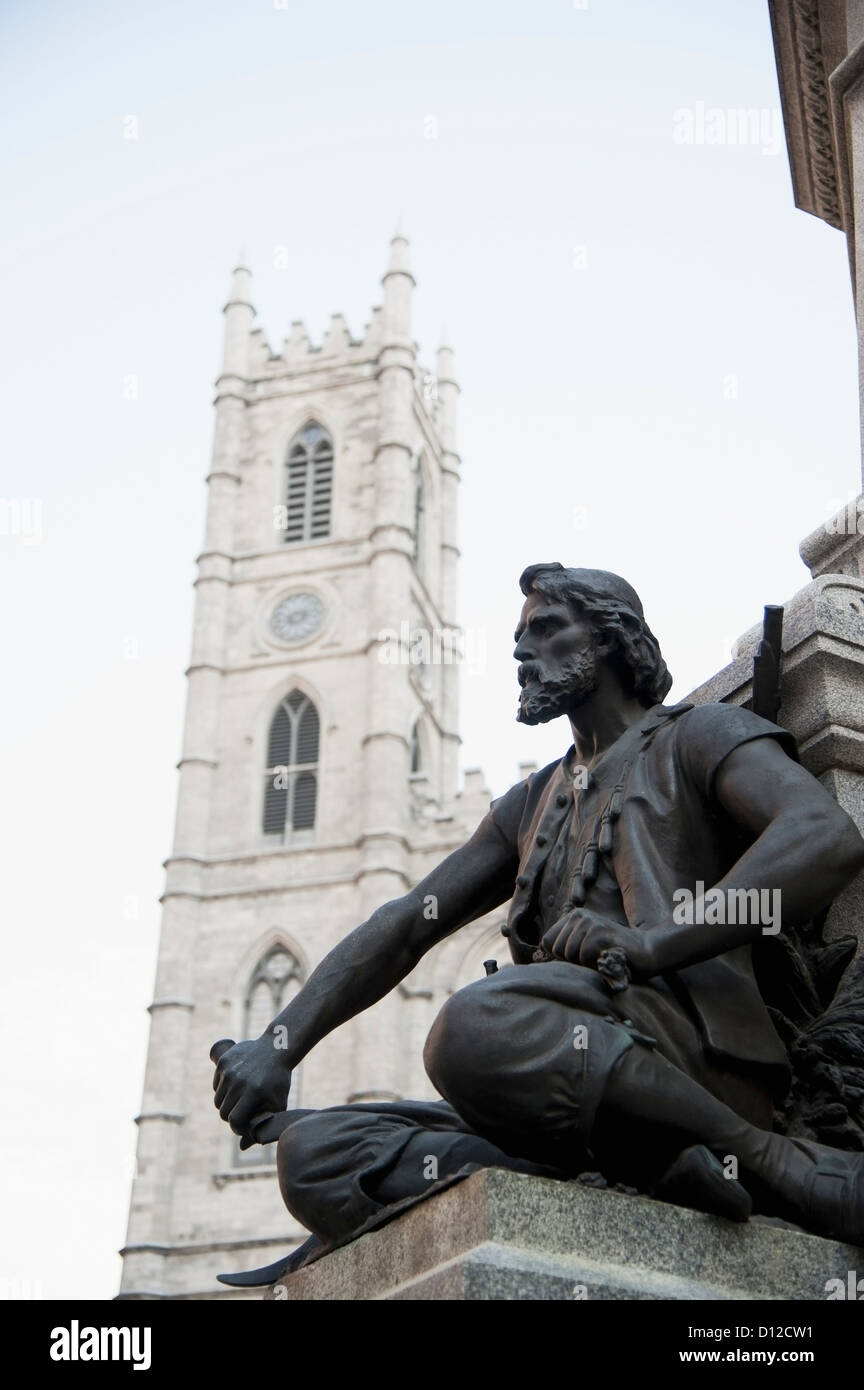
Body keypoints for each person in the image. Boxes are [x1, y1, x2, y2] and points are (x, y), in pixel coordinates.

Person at [212, 564, 864, 1270]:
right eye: (519, 637)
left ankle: (764, 1159)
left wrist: (653, 944)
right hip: (558, 1085)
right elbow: (408, 923)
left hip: (687, 1050)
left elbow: (824, 838)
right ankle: (653, 1169)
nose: (522, 652)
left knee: (471, 1027)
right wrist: (278, 1045)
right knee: (314, 1156)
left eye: (547, 630)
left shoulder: (699, 736)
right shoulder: (531, 803)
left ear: (615, 641)